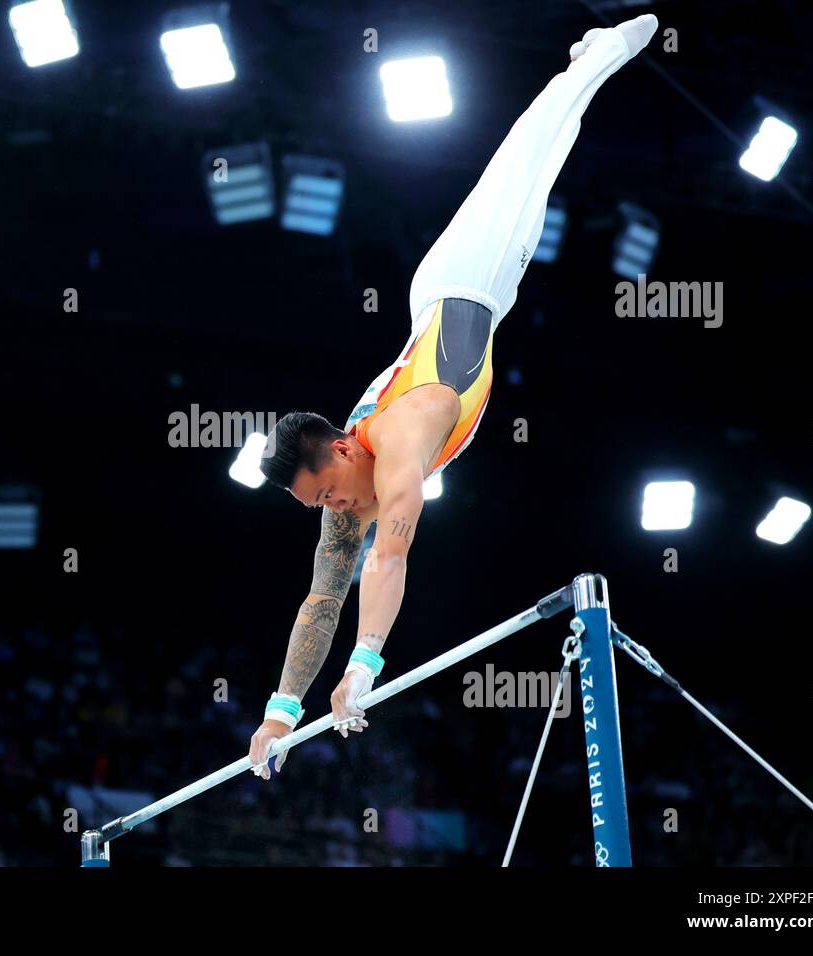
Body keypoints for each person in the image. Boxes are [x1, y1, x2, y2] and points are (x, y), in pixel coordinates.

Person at [248, 15, 660, 779]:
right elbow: (319, 603)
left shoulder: (402, 440)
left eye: (330, 493)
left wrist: (365, 667)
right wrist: (280, 711)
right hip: (453, 304)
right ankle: (582, 65)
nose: (335, 510)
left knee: (531, 153)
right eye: (322, 507)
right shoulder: (347, 502)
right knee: (540, 167)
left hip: (468, 281)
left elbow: (393, 556)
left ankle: (595, 52)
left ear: (343, 447)